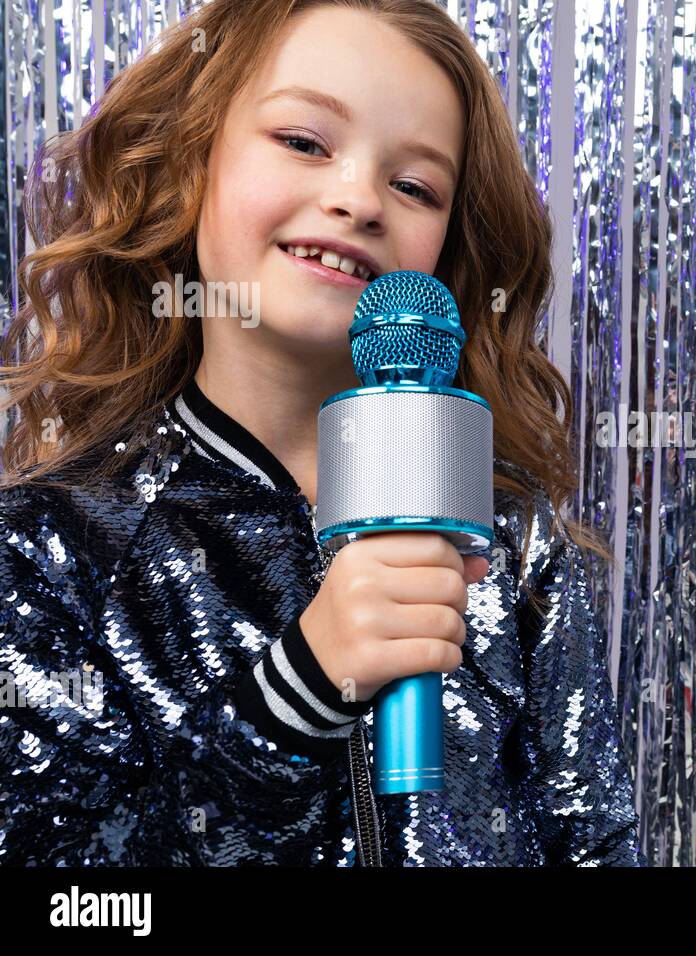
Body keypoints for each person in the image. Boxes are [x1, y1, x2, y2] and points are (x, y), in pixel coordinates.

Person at [0, 0, 642, 866]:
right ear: (192, 161)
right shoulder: (51, 550)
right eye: (305, 141)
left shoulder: (512, 538)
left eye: (414, 186)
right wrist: (293, 695)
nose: (358, 200)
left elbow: (597, 840)